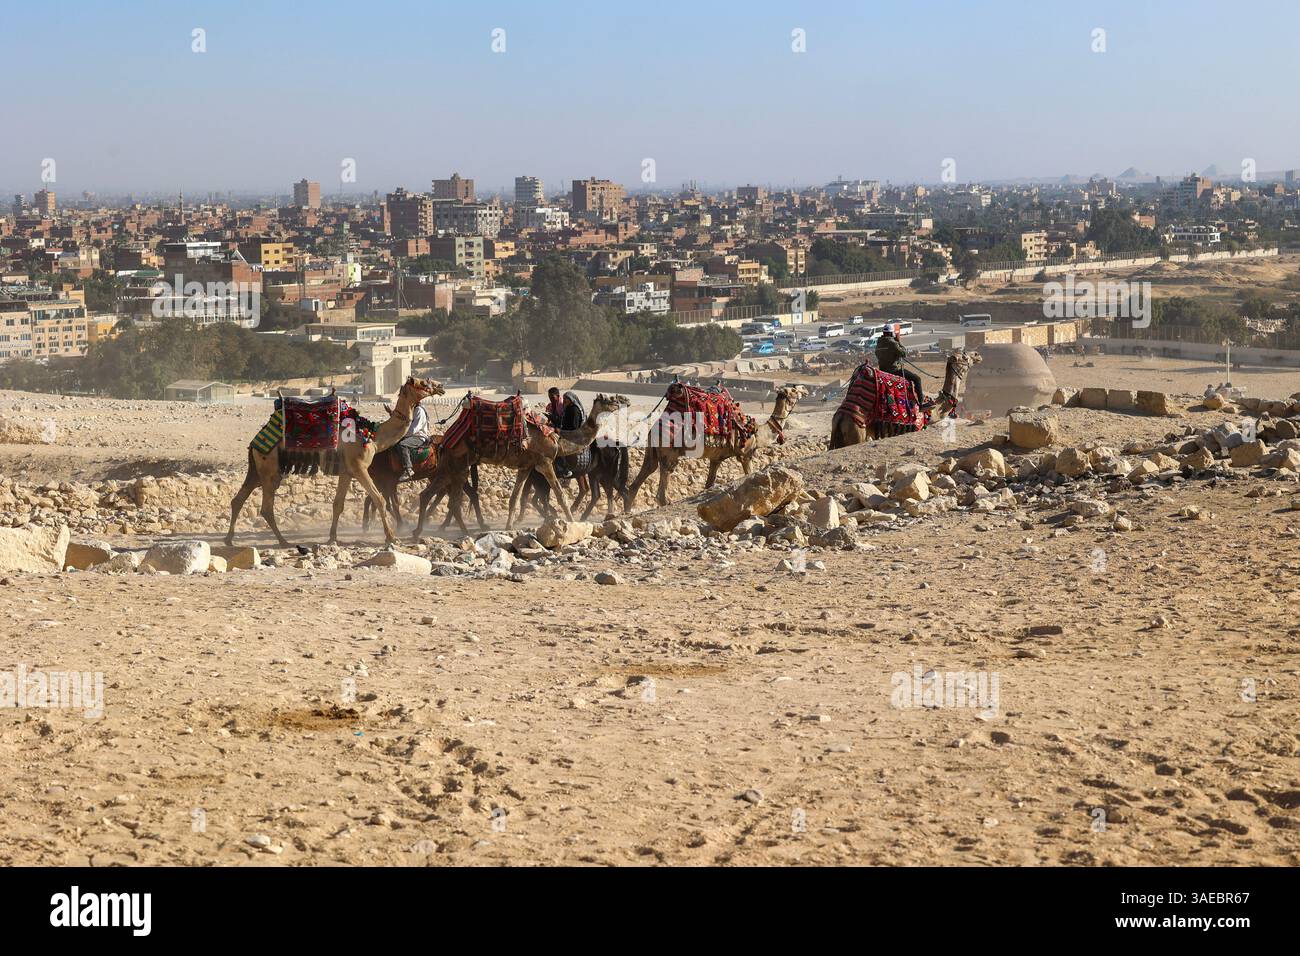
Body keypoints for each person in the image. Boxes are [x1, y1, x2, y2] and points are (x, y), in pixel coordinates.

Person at [875, 328, 926, 408]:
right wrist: (898, 341)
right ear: (891, 333)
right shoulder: (893, 343)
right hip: (895, 370)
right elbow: (904, 353)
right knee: (917, 379)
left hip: (883, 371)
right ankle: (921, 403)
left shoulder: (879, 343)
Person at [397, 388, 430, 481]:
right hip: (411, 435)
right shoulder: (412, 410)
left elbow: (414, 429)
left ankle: (408, 469)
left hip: (419, 436)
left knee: (402, 445)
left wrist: (401, 434)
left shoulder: (419, 410)